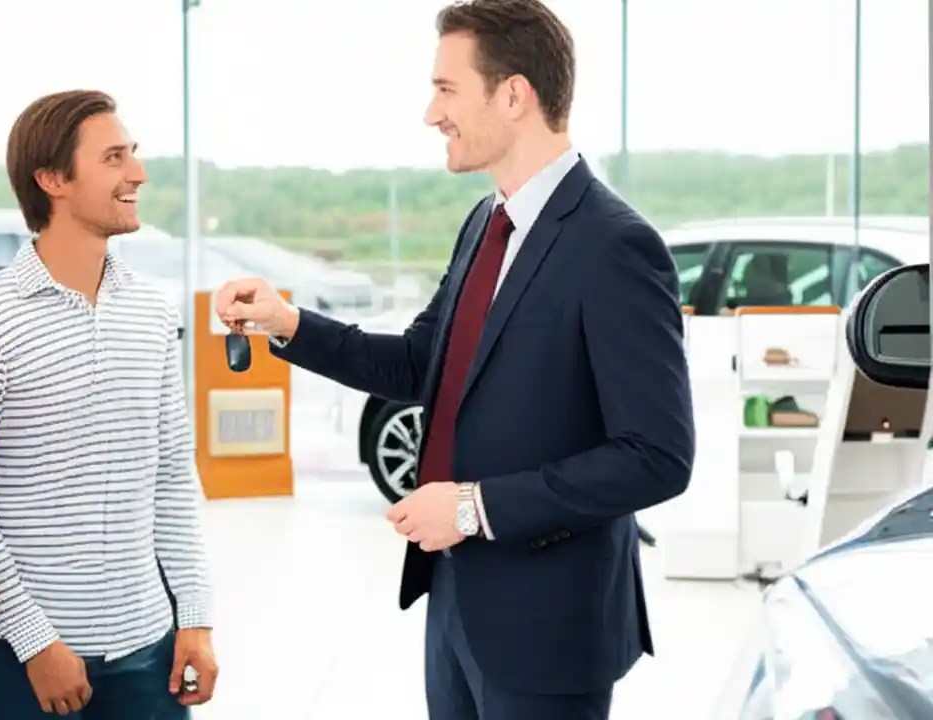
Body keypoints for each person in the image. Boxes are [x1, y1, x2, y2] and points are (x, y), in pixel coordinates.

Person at [214, 1, 694, 718]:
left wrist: (473, 508)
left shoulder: (614, 246)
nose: (430, 113)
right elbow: (418, 362)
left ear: (513, 94)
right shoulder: (485, 223)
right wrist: (288, 324)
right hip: (457, 606)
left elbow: (658, 455)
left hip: (547, 630)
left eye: (446, 88)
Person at [0, 89, 217, 719]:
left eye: (133, 155)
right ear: (53, 179)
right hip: (24, 662)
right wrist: (37, 644)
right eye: (114, 158)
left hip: (151, 650)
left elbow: (171, 476)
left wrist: (194, 619)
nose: (137, 173)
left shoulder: (152, 313)